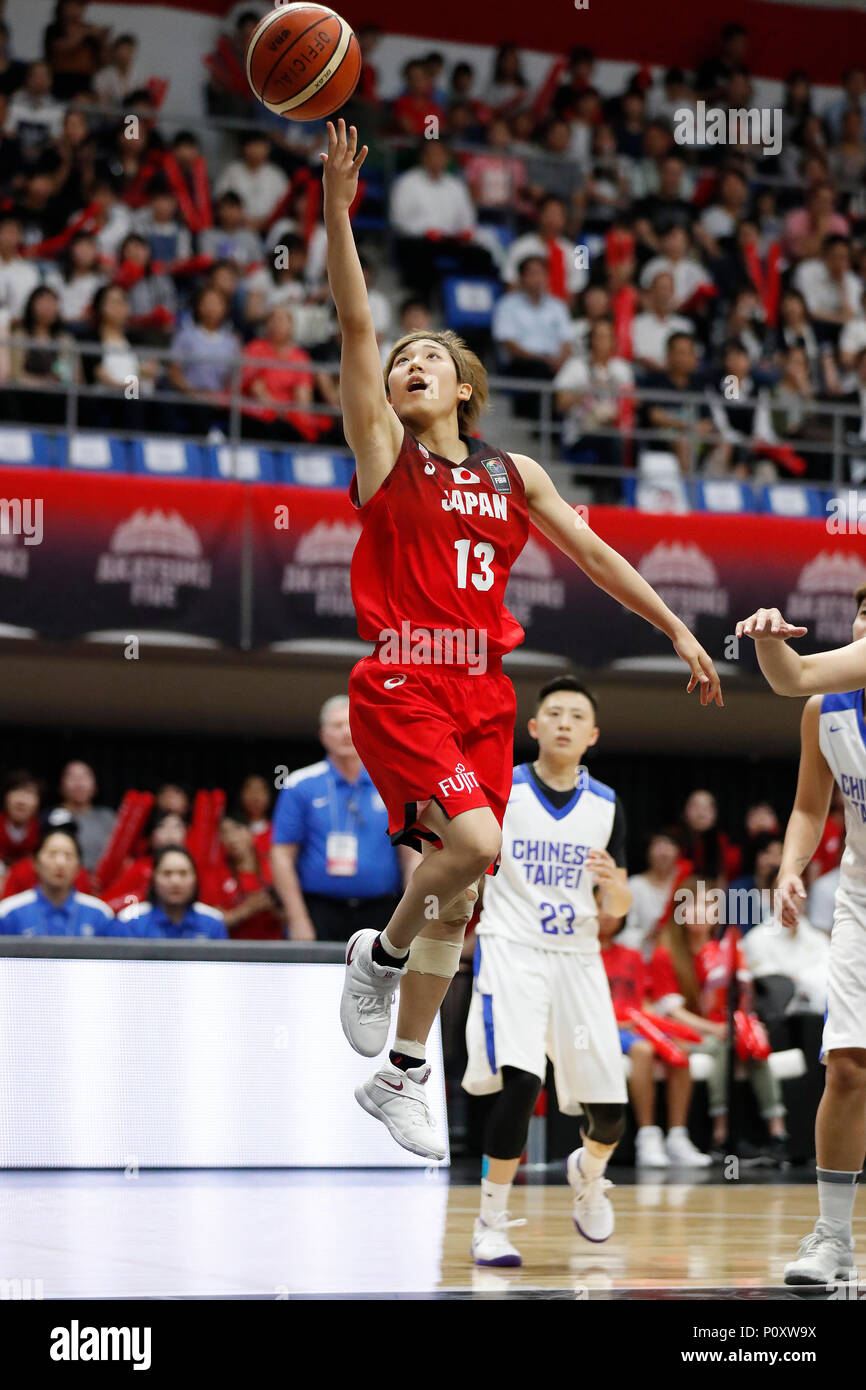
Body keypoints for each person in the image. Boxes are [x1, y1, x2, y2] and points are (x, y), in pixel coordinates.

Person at [320, 118, 721, 1162]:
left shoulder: (511, 475)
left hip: (480, 694)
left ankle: (400, 1074)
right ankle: (377, 950)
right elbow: (355, 326)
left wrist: (674, 622)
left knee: (458, 889)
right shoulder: (381, 455)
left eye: (426, 360)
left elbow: (594, 556)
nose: (405, 366)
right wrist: (334, 208)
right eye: (399, 362)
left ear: (463, 391)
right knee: (479, 849)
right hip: (404, 678)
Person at [462, 677, 632, 1265]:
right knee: (523, 1082)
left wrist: (617, 891)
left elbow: (617, 911)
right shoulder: (498, 789)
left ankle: (586, 1173)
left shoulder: (607, 804)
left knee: (610, 1109)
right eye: (552, 713)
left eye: (575, 716)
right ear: (532, 728)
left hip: (580, 958)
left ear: (592, 735)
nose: (563, 722)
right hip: (513, 949)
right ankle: (490, 1221)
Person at [735, 584, 866, 1284]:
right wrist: (790, 867)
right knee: (846, 1066)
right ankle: (833, 1240)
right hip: (862, 901)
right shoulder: (828, 710)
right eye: (865, 614)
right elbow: (810, 808)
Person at [649, 877, 789, 1163]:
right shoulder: (666, 953)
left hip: (718, 1029)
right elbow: (671, 1010)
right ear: (680, 911)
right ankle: (720, 1133)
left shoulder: (723, 951)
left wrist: (746, 1027)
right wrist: (714, 1028)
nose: (702, 912)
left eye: (709, 905)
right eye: (694, 905)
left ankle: (777, 1134)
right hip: (682, 1031)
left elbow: (739, 998)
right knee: (721, 1046)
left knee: (754, 1044)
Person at [270, 695, 406, 943]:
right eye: (337, 726)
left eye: (351, 724)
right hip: (319, 910)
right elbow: (281, 856)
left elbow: (411, 853)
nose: (346, 732)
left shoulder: (392, 782)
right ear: (323, 735)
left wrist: (411, 916)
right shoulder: (299, 784)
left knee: (379, 979)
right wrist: (297, 919)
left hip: (382, 909)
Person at [600, 913, 711, 1170]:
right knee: (643, 1050)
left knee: (679, 1049)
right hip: (606, 1026)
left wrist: (652, 1023)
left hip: (638, 1022)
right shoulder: (584, 956)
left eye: (612, 911)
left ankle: (677, 1136)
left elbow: (644, 999)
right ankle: (647, 1136)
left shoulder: (632, 955)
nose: (607, 917)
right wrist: (619, 1022)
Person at [0, 826, 113, 935]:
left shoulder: (100, 914)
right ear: (35, 862)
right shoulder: (8, 912)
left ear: (79, 867)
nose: (60, 863)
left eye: (68, 856)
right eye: (52, 854)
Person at [111, 847, 226, 939]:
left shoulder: (213, 922)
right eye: (167, 873)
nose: (175, 882)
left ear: (195, 879)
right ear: (153, 879)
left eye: (183, 873)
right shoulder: (130, 921)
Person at [203, 816, 283, 940]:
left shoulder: (274, 868)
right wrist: (247, 909)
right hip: (234, 950)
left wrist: (273, 906)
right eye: (224, 832)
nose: (231, 838)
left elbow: (292, 915)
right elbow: (212, 923)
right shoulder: (215, 876)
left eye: (237, 829)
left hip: (275, 947)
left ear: (252, 834)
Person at [99, 809, 188, 913]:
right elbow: (109, 904)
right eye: (162, 826)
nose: (170, 832)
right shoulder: (140, 869)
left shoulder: (193, 868)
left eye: (177, 827)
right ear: (151, 835)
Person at [620, 829, 681, 960]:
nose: (663, 852)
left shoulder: (685, 883)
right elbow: (622, 931)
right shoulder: (634, 885)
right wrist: (648, 936)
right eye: (658, 845)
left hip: (680, 959)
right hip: (644, 958)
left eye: (669, 845)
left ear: (678, 852)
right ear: (648, 852)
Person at [48, 760, 115, 873]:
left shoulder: (108, 817)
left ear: (95, 785)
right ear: (61, 785)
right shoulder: (51, 817)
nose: (79, 783)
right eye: (72, 777)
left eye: (84, 777)